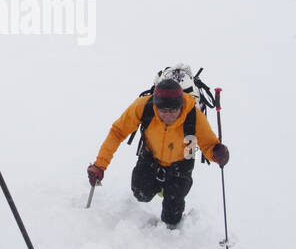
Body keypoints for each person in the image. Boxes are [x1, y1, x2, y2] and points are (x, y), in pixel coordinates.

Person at [86, 79, 229, 228]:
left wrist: (217, 153)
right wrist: (100, 165)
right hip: (150, 158)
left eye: (173, 110)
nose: (168, 115)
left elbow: (209, 145)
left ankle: (169, 191)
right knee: (140, 193)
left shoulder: (194, 116)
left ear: (181, 106)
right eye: (163, 110)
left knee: (171, 218)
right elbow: (118, 132)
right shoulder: (144, 107)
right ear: (155, 106)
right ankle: (161, 186)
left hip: (182, 164)